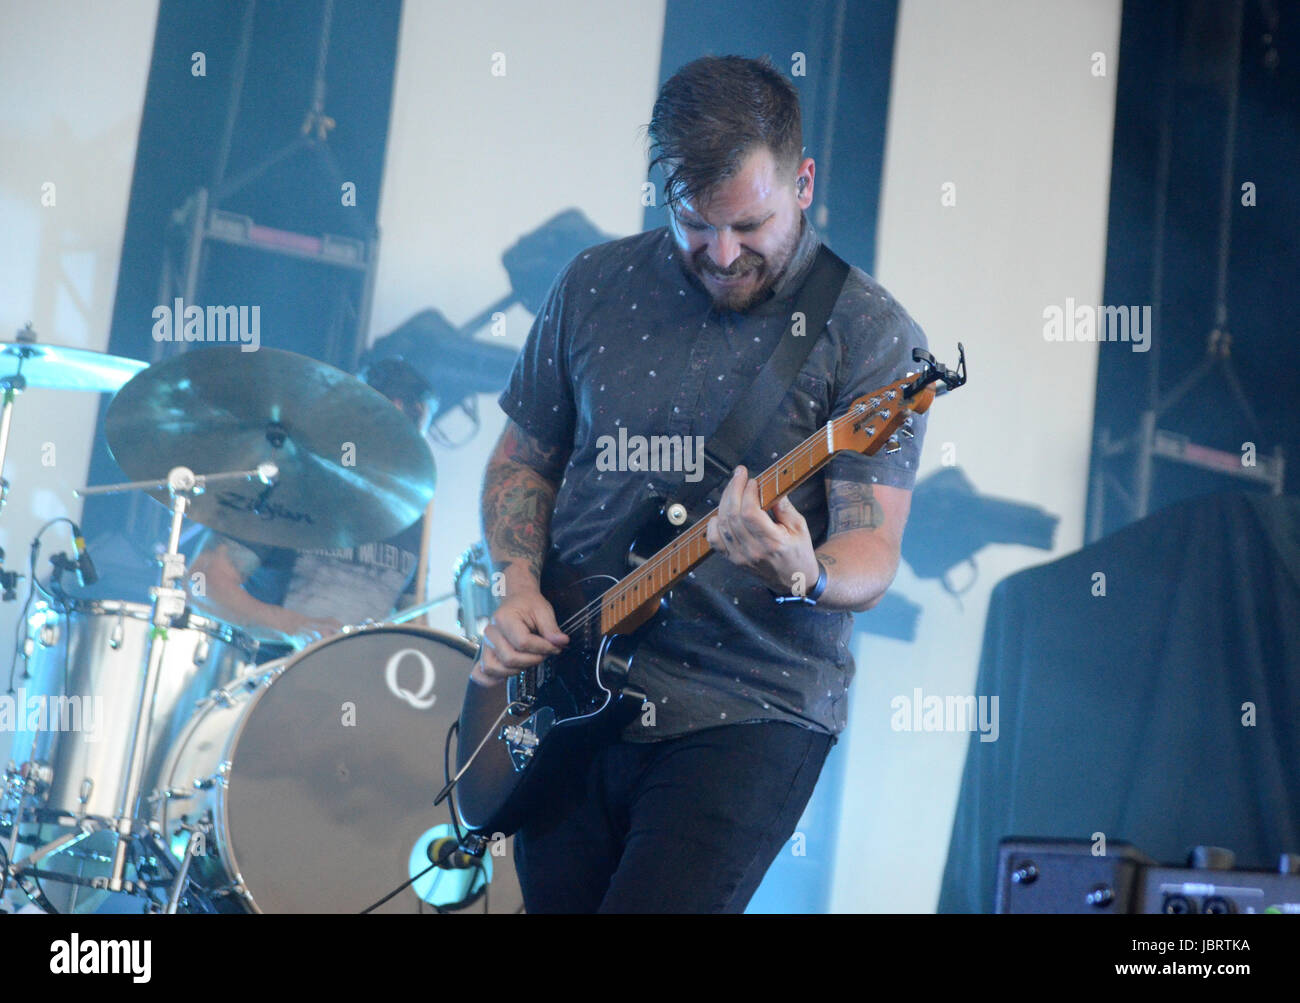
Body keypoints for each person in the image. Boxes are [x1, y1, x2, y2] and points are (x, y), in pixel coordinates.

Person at [473, 55, 930, 913]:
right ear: (663, 190)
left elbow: (873, 546)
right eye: (695, 223)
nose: (722, 254)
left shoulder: (872, 334)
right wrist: (517, 583)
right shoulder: (592, 283)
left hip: (747, 706)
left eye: (749, 224)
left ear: (803, 182)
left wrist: (808, 571)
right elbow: (521, 459)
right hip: (573, 685)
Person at [188, 358, 435, 652]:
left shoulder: (413, 515)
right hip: (274, 681)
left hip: (368, 687)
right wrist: (293, 626)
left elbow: (413, 624)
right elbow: (203, 584)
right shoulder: (288, 487)